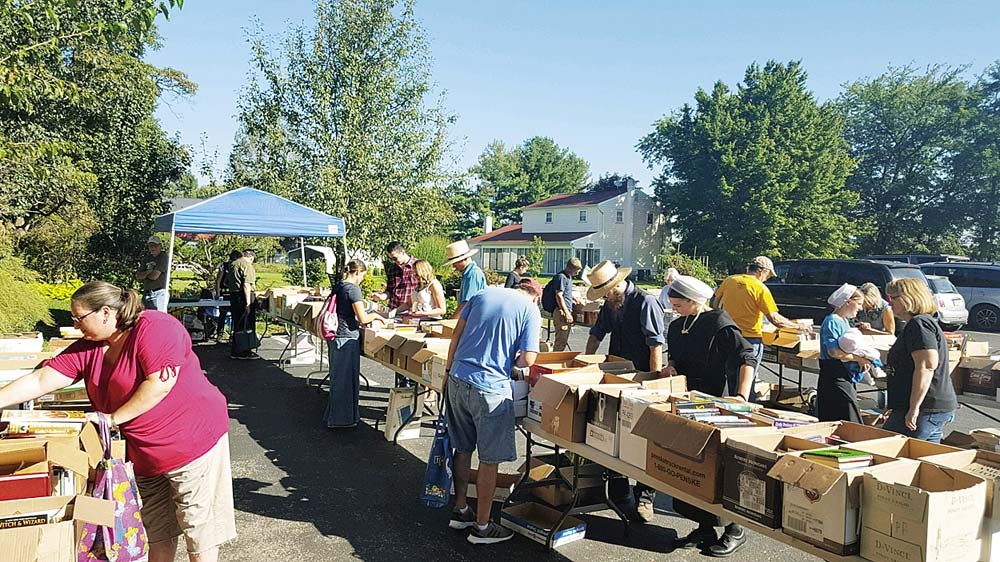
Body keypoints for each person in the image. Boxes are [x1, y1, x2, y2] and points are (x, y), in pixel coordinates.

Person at [0, 281, 235, 562]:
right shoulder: (89, 347)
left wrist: (112, 418)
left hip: (191, 441)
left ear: (107, 312)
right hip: (144, 453)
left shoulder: (154, 326)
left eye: (80, 318)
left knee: (198, 525)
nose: (76, 325)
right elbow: (42, 379)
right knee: (156, 528)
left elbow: (160, 382)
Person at [661, 275, 756, 557]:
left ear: (694, 301)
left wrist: (740, 396)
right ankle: (703, 526)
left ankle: (734, 530)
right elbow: (676, 356)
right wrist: (671, 367)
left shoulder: (719, 323)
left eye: (678, 304)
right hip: (686, 402)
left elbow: (746, 357)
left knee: (715, 469)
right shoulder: (677, 326)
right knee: (687, 468)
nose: (674, 308)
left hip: (716, 402)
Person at [446, 279, 542, 545]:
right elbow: (529, 359)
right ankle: (482, 527)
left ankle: (461, 508)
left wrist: (447, 372)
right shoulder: (530, 309)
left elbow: (457, 334)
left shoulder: (481, 294)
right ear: (535, 296)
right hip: (489, 388)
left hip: (458, 377)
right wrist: (512, 362)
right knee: (490, 459)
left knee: (462, 448)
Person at [583, 260, 665, 523]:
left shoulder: (645, 302)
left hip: (642, 376)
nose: (605, 297)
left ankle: (645, 495)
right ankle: (619, 491)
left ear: (618, 285)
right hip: (616, 375)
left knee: (644, 439)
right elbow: (596, 334)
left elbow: (655, 346)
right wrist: (583, 365)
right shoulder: (611, 304)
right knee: (613, 432)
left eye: (606, 291)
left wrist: (653, 382)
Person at [713, 256, 812, 397]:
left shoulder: (730, 280)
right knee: (747, 382)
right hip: (750, 339)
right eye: (768, 275)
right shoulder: (760, 288)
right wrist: (798, 326)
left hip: (729, 336)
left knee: (732, 379)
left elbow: (715, 304)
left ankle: (730, 407)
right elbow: (775, 320)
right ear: (762, 271)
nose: (768, 278)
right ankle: (746, 409)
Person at [882, 278, 957, 443]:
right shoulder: (918, 323)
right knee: (924, 459)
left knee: (890, 452)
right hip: (925, 408)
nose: (889, 303)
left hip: (925, 407)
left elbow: (927, 366)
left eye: (893, 298)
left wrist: (914, 408)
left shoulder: (920, 324)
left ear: (909, 298)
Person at [324, 260, 386, 428]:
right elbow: (363, 318)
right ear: (358, 272)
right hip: (347, 337)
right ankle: (342, 419)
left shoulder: (339, 285)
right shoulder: (353, 289)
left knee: (338, 379)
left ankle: (334, 415)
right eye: (364, 275)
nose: (363, 279)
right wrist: (376, 316)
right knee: (346, 381)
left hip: (336, 336)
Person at [816, 283, 869, 423]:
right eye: (859, 304)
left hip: (843, 372)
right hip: (833, 373)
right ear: (848, 302)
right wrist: (859, 359)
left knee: (844, 410)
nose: (861, 308)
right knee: (847, 409)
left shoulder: (844, 321)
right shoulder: (832, 321)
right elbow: (834, 352)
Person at [542, 257, 582, 352]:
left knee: (563, 339)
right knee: (561, 339)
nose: (577, 273)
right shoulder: (561, 277)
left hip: (564, 310)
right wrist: (567, 312)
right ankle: (556, 359)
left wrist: (572, 298)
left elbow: (564, 293)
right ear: (570, 268)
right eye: (576, 271)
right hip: (561, 313)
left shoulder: (568, 277)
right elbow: (559, 295)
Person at [370, 241, 418, 313]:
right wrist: (381, 297)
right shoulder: (392, 268)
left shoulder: (418, 266)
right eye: (391, 259)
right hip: (393, 310)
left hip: (410, 311)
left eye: (395, 258)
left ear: (402, 252)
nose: (393, 261)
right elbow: (390, 290)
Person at [444, 239, 486, 319]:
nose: (453, 266)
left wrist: (451, 321)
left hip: (473, 319)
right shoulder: (467, 274)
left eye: (454, 262)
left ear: (463, 259)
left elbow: (466, 303)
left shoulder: (473, 274)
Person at [228, 249, 258, 360]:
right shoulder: (247, 265)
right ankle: (244, 351)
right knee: (246, 324)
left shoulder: (233, 264)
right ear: (251, 257)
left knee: (237, 324)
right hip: (243, 296)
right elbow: (246, 285)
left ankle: (236, 350)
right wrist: (248, 303)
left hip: (234, 296)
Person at [135, 235, 170, 311]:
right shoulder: (146, 258)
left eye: (155, 246)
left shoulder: (163, 257)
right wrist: (149, 272)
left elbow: (154, 276)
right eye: (151, 246)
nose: (152, 248)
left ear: (160, 246)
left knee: (159, 317)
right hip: (147, 293)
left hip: (159, 292)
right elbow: (138, 276)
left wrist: (145, 274)